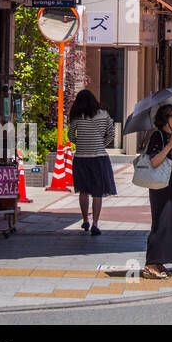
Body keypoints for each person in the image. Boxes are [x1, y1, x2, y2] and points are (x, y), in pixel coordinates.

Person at [142, 103, 172, 279]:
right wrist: (169, 145)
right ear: (164, 119)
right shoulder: (157, 136)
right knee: (160, 224)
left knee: (170, 225)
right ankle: (150, 263)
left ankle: (159, 262)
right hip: (159, 187)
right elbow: (154, 161)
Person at [69, 89, 117, 235]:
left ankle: (85, 220)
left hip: (81, 158)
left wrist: (80, 143)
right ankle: (96, 223)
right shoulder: (104, 115)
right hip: (99, 158)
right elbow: (112, 133)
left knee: (83, 191)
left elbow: (71, 136)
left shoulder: (77, 117)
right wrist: (102, 143)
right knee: (97, 192)